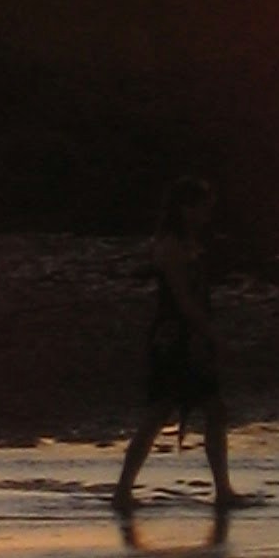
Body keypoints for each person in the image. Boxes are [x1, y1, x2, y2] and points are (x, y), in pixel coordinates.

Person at [113, 175, 246, 518]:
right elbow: (183, 300)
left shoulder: (189, 242)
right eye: (202, 207)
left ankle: (223, 490)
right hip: (175, 338)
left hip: (191, 337)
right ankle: (123, 489)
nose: (207, 215)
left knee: (215, 409)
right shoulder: (170, 245)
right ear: (185, 208)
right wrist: (212, 335)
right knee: (159, 411)